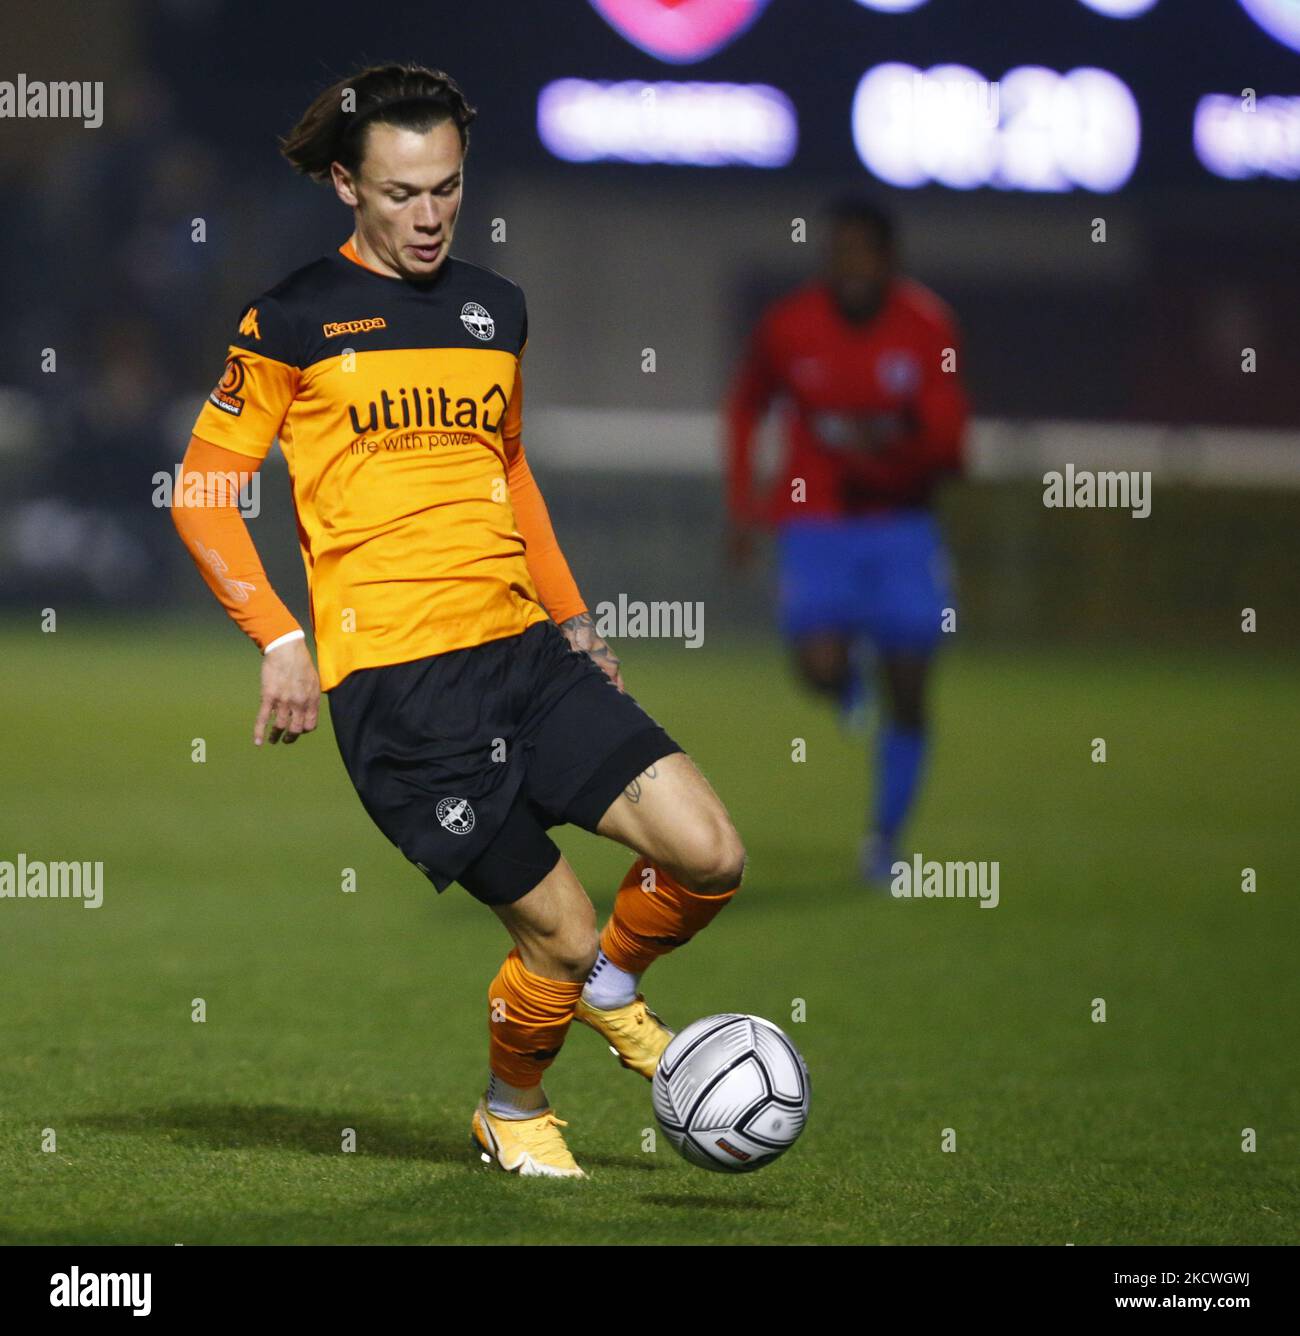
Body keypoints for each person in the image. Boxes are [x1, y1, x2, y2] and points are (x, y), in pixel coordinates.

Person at [171, 64, 746, 1178]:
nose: (429, 215)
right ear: (346, 184)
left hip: (528, 653)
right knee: (560, 932)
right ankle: (511, 1106)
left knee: (710, 854)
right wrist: (280, 638)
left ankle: (613, 990)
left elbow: (511, 472)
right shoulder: (287, 320)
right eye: (400, 193)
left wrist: (574, 620)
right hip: (403, 689)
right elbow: (201, 492)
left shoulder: (496, 309)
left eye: (445, 188)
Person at [725, 196, 968, 884]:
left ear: (890, 260)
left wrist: (888, 451)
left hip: (902, 524)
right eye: (841, 253)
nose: (851, 267)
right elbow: (746, 405)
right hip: (817, 519)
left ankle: (884, 839)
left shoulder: (927, 328)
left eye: (865, 253)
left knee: (912, 686)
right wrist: (744, 507)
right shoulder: (790, 326)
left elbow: (952, 447)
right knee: (818, 665)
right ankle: (843, 687)